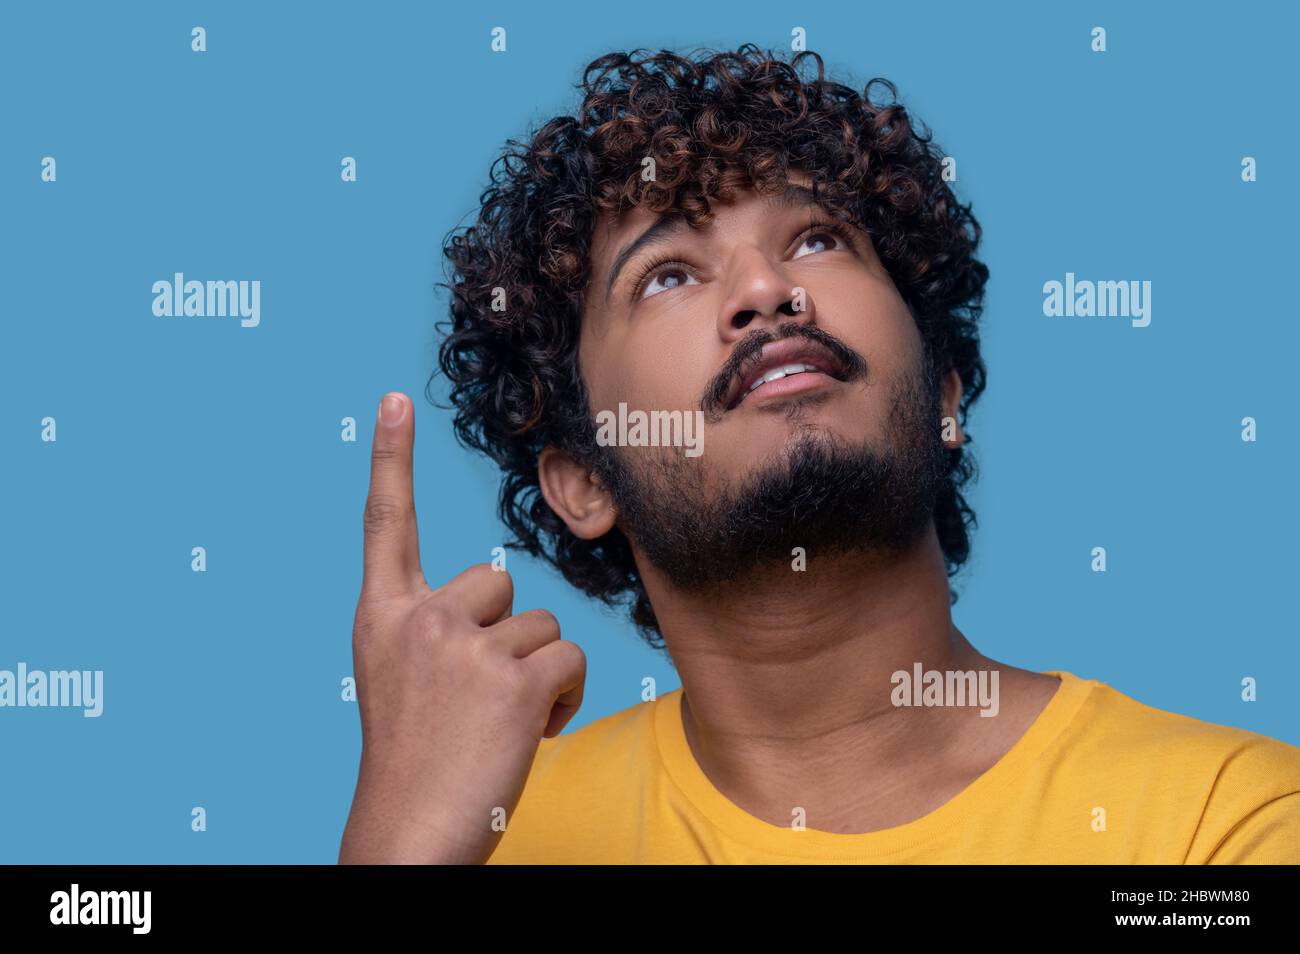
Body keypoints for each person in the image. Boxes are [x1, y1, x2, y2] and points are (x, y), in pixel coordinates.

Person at [337, 45, 1300, 864]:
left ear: (945, 395)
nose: (765, 288)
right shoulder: (489, 837)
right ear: (585, 479)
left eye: (819, 239)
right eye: (668, 274)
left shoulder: (1220, 828)